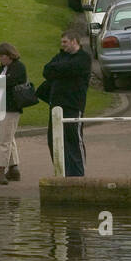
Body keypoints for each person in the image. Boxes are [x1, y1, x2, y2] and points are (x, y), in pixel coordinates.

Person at [43, 29, 92, 177]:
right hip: (56, 105)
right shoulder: (60, 56)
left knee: (73, 140)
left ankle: (78, 175)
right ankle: (62, 172)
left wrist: (59, 69)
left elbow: (71, 68)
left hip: (73, 105)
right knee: (54, 140)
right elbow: (46, 70)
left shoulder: (83, 58)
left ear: (74, 41)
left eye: (65, 42)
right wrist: (60, 69)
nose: (62, 45)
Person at [0, 42, 27, 185]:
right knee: (6, 138)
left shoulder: (18, 67)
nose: (0, 59)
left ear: (9, 55)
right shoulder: (3, 68)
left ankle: (1, 170)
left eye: (2, 56)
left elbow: (6, 82)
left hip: (10, 108)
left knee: (4, 141)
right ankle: (14, 168)